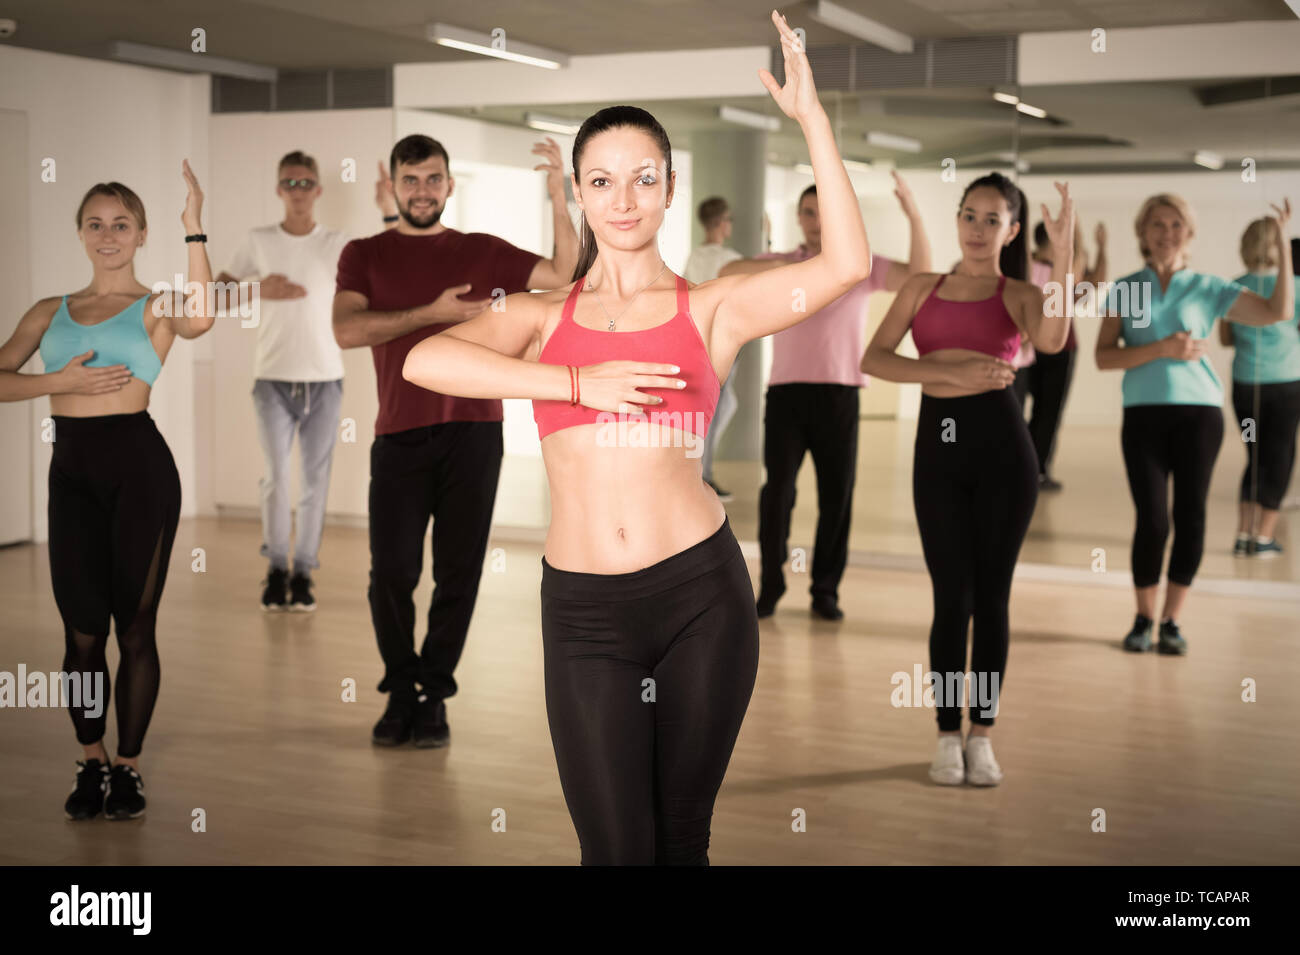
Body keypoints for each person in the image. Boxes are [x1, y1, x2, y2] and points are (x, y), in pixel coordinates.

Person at [402, 10, 871, 863]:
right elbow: (425, 361)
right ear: (579, 193)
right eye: (603, 181)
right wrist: (575, 382)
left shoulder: (714, 306)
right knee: (616, 847)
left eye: (643, 179)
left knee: (680, 838)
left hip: (701, 596)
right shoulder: (540, 316)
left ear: (669, 188)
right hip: (584, 612)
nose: (624, 200)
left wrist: (812, 120)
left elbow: (845, 266)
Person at [333, 134, 579, 749]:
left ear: (449, 184)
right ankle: (399, 687)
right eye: (410, 180)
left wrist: (558, 199)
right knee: (391, 571)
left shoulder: (484, 251)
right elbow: (346, 329)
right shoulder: (364, 253)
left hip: (475, 433)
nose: (422, 191)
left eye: (433, 179)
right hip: (399, 433)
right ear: (392, 186)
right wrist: (431, 314)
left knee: (457, 571)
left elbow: (564, 276)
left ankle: (433, 695)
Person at [0, 163, 214, 819]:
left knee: (136, 626)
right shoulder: (48, 311)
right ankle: (90, 759)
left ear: (142, 232)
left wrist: (194, 229)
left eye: (121, 223)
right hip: (72, 476)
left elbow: (203, 320)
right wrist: (56, 384)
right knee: (83, 632)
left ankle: (128, 766)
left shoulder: (157, 306)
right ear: (81, 233)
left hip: (141, 471)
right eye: (96, 223)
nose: (108, 234)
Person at [861, 173, 1075, 787]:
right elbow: (874, 359)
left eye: (993, 220)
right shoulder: (922, 287)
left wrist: (1061, 255)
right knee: (950, 600)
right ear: (958, 220)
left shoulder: (1018, 294)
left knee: (991, 598)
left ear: (1012, 230)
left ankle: (982, 735)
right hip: (940, 455)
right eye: (970, 216)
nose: (978, 230)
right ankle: (945, 734)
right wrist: (955, 373)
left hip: (1006, 457)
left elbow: (1055, 338)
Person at [721, 170, 932, 620]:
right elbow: (729, 272)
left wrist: (912, 212)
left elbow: (920, 274)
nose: (816, 221)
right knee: (777, 492)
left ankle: (825, 590)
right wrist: (786, 266)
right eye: (808, 213)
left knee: (837, 496)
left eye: (823, 212)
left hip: (840, 395)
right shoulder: (782, 261)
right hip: (785, 396)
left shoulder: (859, 264)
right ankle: (771, 584)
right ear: (799, 218)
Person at [1098, 194, 1293, 654]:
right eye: (1157, 225)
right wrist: (1159, 349)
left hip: (1199, 417)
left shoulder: (1210, 288)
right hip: (1142, 415)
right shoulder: (1126, 288)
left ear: (1189, 233)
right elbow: (1104, 357)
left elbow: (1276, 312)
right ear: (1142, 233)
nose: (1167, 233)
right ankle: (1143, 618)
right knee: (1151, 520)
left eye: (1176, 225)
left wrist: (1283, 245)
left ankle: (1171, 621)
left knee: (1191, 517)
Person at [215, 151, 393, 612]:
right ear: (279, 190)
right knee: (277, 478)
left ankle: (302, 573)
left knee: (315, 480)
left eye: (305, 182)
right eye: (289, 183)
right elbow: (215, 295)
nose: (298, 190)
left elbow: (392, 267)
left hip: (325, 380)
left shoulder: (338, 243)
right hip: (271, 380)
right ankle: (275, 569)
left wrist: (389, 209)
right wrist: (258, 289)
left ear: (318, 190)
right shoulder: (258, 241)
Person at [1220, 216, 1300, 558]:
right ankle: (1264, 538)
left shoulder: (1231, 286)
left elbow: (1225, 339)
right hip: (1284, 387)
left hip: (1244, 389)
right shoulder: (1294, 284)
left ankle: (1243, 534)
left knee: (1255, 458)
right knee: (1280, 457)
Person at [1014, 219, 1108, 490]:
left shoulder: (1067, 270)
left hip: (1062, 349)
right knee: (1016, 410)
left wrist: (1102, 248)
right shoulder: (1025, 266)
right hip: (1026, 348)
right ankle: (1019, 467)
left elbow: (1091, 288)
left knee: (1049, 413)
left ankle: (1037, 471)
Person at [683, 196, 743, 500]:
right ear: (721, 223)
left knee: (722, 405)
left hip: (697, 340)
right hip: (719, 343)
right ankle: (703, 476)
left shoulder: (695, 256)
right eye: (729, 219)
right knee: (715, 411)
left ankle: (699, 467)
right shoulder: (730, 258)